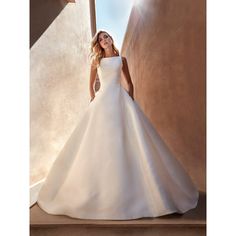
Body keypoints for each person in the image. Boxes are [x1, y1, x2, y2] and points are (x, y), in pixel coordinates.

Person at [37, 30, 199, 220]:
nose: (104, 40)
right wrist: (93, 99)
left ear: (111, 39)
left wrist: (131, 102)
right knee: (99, 141)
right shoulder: (96, 61)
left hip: (121, 100)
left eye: (106, 37)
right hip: (102, 101)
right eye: (100, 39)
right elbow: (91, 85)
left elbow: (129, 83)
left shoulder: (121, 59)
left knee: (127, 140)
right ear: (98, 44)